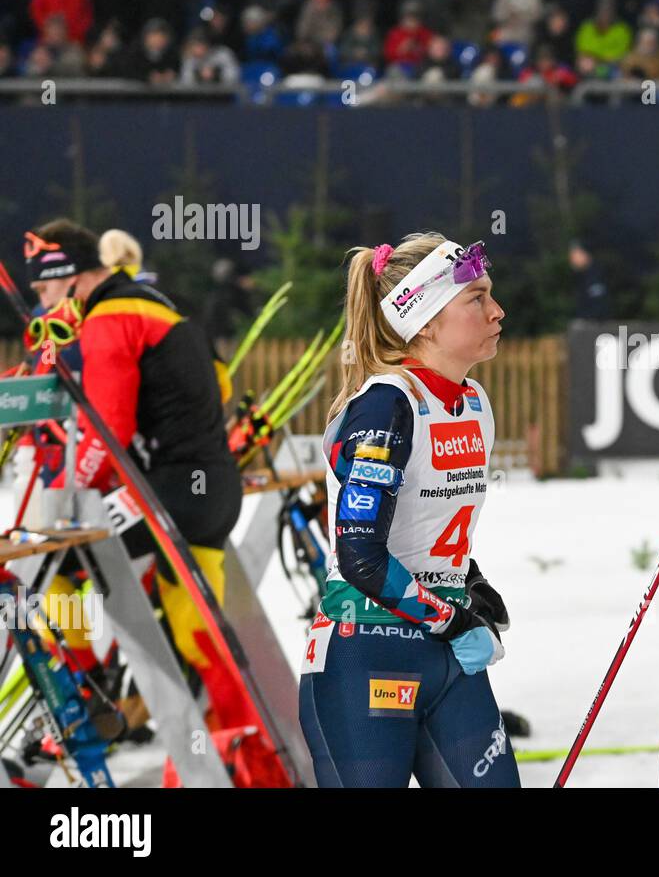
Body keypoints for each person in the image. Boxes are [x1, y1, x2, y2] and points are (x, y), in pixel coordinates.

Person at [21, 218, 258, 747]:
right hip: (215, 488)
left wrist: (66, 496)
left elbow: (107, 434)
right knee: (194, 629)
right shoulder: (157, 298)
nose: (43, 305)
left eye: (43, 290)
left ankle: (90, 691)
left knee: (57, 564)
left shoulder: (108, 316)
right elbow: (220, 384)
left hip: (170, 493)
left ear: (69, 276)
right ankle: (240, 743)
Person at [299, 233, 517, 788]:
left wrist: (470, 580)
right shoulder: (387, 405)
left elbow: (425, 523)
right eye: (476, 298)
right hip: (365, 650)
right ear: (423, 322)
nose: (497, 311)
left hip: (441, 651)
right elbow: (360, 555)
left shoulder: (471, 401)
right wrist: (452, 617)